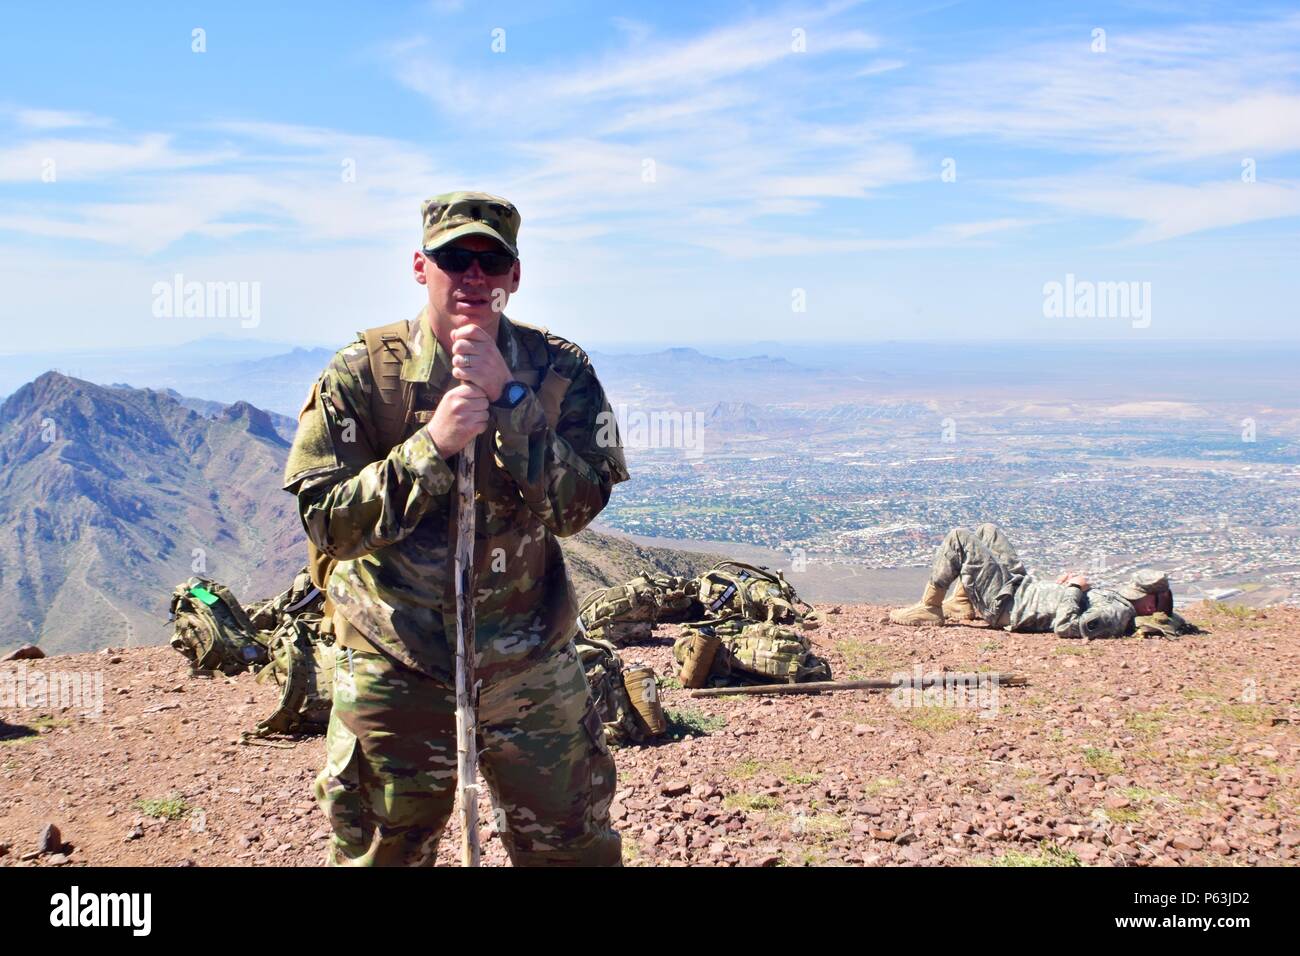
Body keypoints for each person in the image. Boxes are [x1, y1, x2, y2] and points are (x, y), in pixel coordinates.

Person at [283, 191, 630, 865]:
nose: (473, 277)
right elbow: (329, 522)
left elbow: (579, 507)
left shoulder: (558, 372)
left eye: (491, 261)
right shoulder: (362, 374)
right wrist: (430, 447)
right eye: (454, 259)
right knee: (384, 854)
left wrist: (513, 403)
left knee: (571, 847)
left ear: (515, 276)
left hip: (527, 660)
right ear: (421, 267)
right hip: (396, 660)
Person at [889, 522, 1134, 638]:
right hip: (1021, 589)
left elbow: (1067, 626)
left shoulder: (1115, 613)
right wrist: (1062, 588)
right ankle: (962, 602)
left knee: (959, 538)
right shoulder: (1118, 604)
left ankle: (930, 607)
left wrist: (1073, 589)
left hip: (1007, 606)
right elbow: (1060, 605)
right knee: (987, 531)